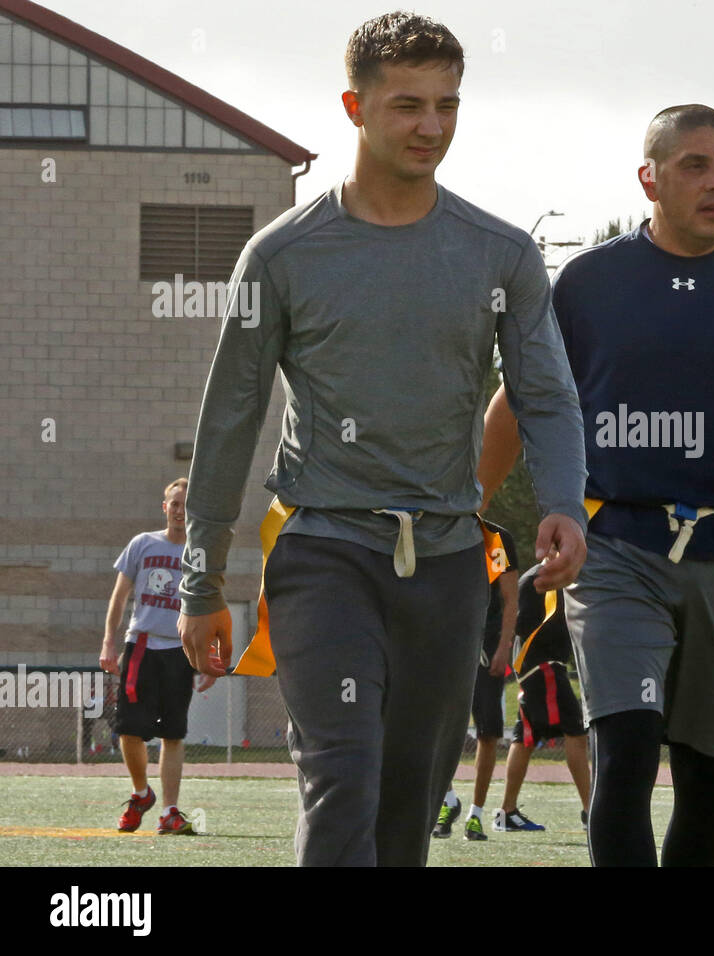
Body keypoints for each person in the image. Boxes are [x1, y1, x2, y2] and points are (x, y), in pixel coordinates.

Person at [177, 13, 587, 867]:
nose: (431, 127)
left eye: (447, 105)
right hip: (325, 550)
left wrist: (560, 503)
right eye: (407, 105)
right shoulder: (282, 255)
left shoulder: (502, 254)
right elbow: (230, 420)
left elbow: (545, 394)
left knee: (405, 813)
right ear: (354, 107)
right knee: (344, 778)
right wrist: (201, 579)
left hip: (445, 566)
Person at [478, 104, 714, 866]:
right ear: (648, 177)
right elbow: (520, 402)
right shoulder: (586, 283)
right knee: (625, 751)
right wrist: (467, 508)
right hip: (617, 544)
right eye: (695, 165)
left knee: (711, 778)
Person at [100, 478, 215, 834]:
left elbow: (207, 606)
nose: (181, 511)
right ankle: (141, 793)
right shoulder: (143, 543)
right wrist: (109, 642)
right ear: (165, 507)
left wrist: (208, 653)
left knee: (174, 733)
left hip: (181, 650)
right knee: (129, 730)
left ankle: (169, 812)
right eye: (175, 504)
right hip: (143, 646)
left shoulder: (200, 552)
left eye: (186, 504)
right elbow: (120, 596)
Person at [433, 519, 520, 841]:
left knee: (487, 732)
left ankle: (476, 814)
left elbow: (510, 599)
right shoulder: (439, 527)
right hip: (447, 644)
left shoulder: (494, 538)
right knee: (436, 728)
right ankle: (448, 800)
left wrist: (503, 648)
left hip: (485, 647)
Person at [495, 561, 592, 833]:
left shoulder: (561, 576)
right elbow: (519, 623)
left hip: (542, 666)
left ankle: (507, 812)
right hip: (542, 667)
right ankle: (591, 811)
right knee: (576, 733)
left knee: (524, 737)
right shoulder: (535, 580)